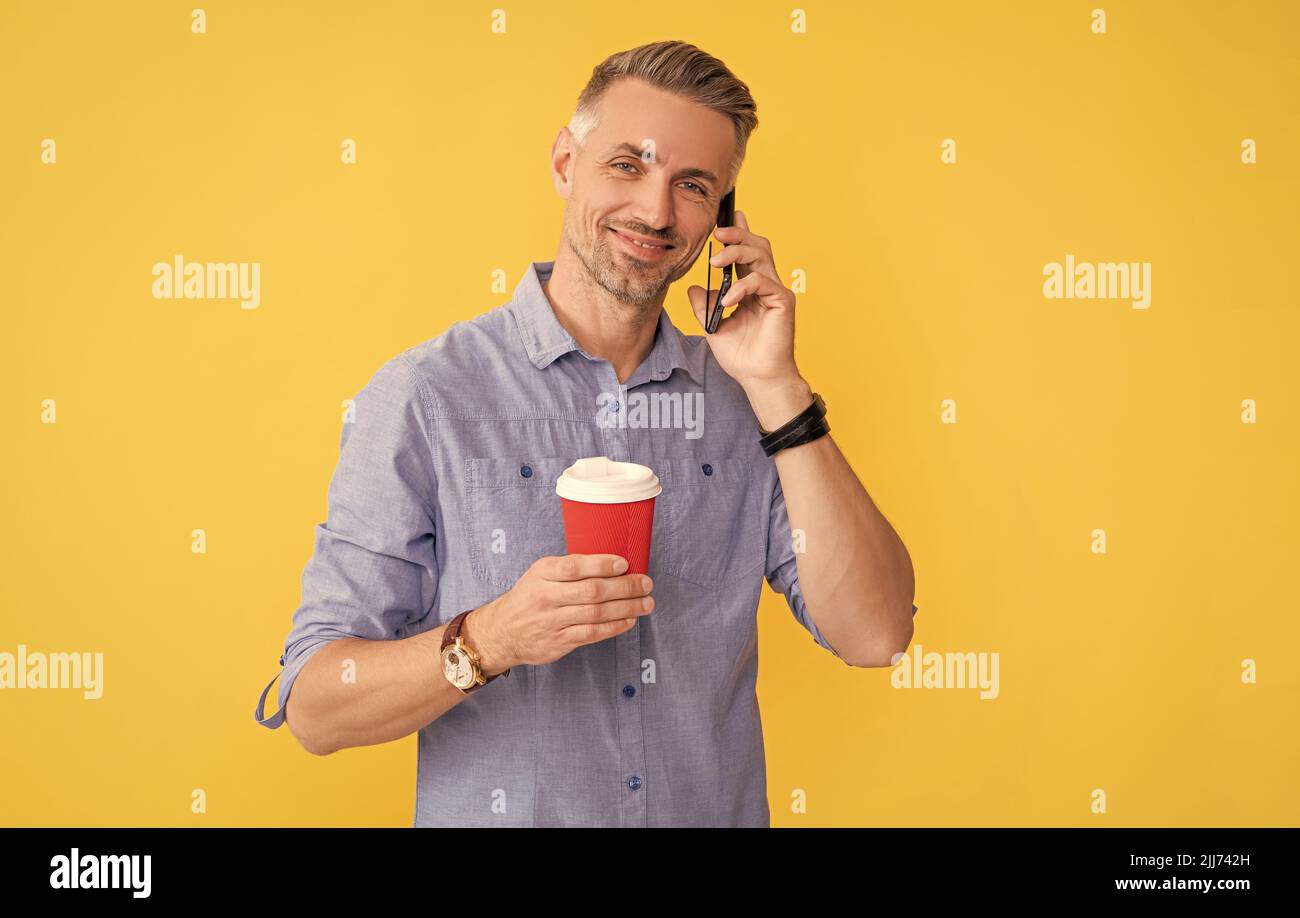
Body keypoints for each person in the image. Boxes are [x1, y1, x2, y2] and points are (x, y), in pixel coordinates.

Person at [253, 39, 917, 828]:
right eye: (627, 166)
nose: (656, 212)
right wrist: (491, 639)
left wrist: (778, 387)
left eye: (693, 186)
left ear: (723, 218)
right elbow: (318, 708)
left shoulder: (752, 405)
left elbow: (876, 634)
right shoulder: (427, 398)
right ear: (566, 163)